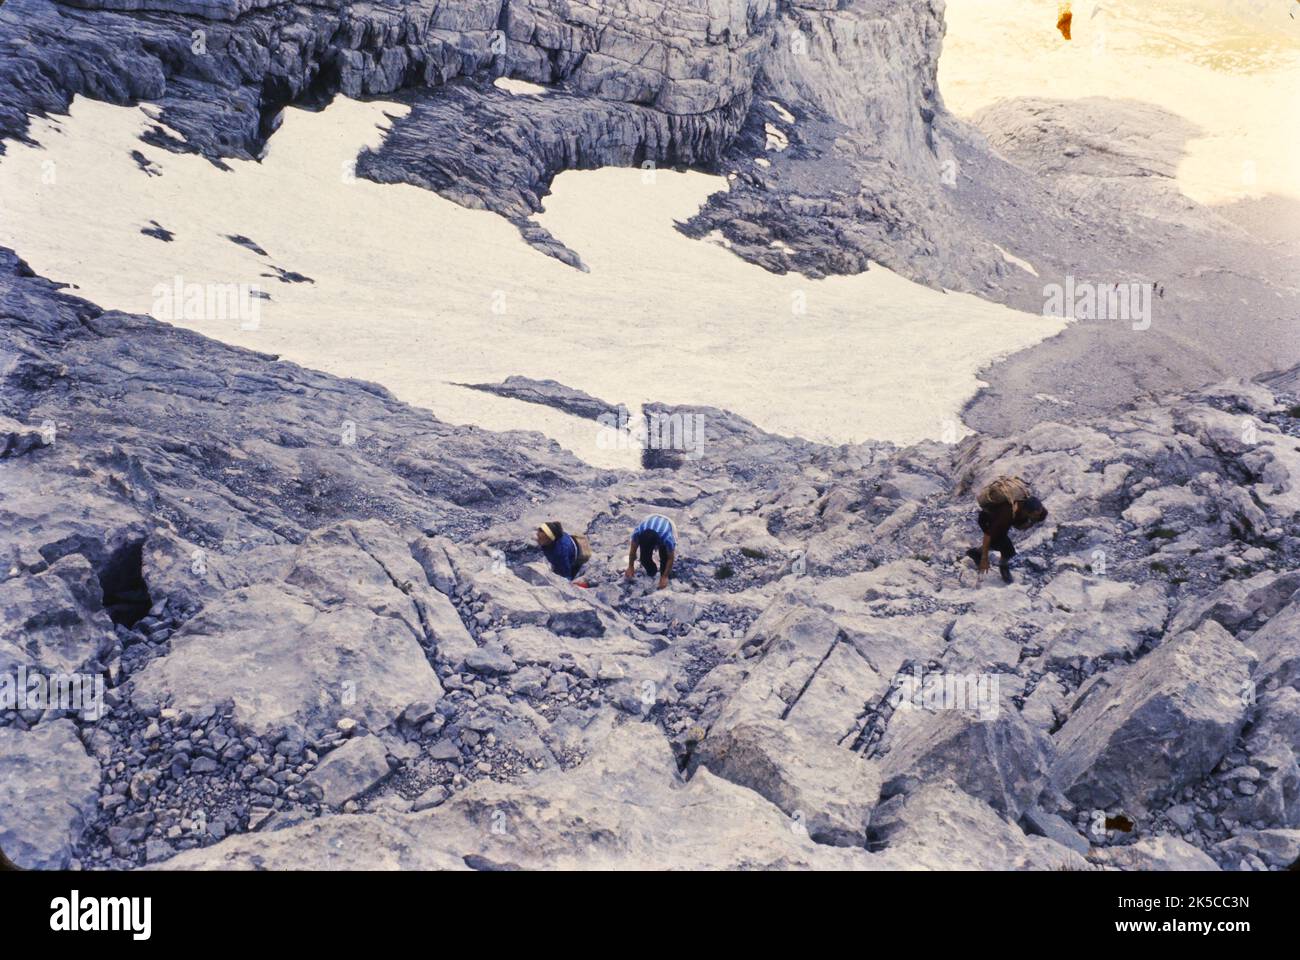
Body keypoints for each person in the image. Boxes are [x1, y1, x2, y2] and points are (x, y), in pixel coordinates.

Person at [965, 476, 1048, 584]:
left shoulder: (1034, 510)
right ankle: (996, 563)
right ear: (1026, 512)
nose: (1037, 517)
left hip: (1005, 521)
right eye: (1034, 516)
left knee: (1000, 544)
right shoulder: (1006, 514)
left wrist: (1032, 522)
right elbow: (988, 535)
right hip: (988, 520)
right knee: (1006, 548)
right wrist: (984, 559)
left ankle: (977, 553)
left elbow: (1022, 525)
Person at [625, 513, 677, 590]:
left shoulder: (667, 537)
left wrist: (665, 576)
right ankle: (652, 572)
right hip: (650, 519)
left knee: (664, 558)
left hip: (668, 524)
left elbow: (670, 558)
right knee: (644, 559)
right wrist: (630, 566)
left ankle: (662, 578)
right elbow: (633, 551)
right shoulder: (638, 532)